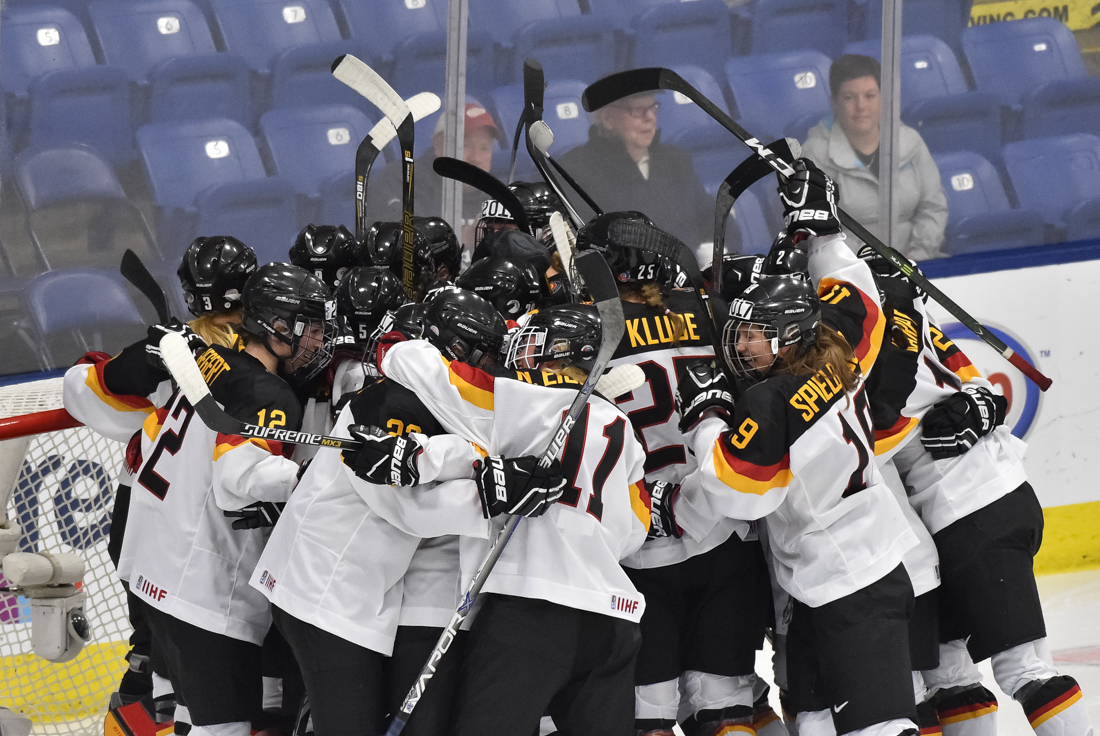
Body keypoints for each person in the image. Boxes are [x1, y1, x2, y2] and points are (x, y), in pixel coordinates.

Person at [669, 159, 921, 736]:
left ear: (785, 339)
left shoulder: (771, 401)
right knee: (811, 723)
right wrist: (823, 233)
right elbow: (858, 293)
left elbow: (738, 493)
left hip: (852, 582)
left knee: (879, 730)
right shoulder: (837, 345)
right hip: (834, 573)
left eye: (753, 333)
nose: (742, 343)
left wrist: (707, 417)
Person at [379, 304, 652, 736]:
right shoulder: (623, 428)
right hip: (612, 621)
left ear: (556, 352)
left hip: (531, 615)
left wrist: (392, 347)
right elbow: (635, 531)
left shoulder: (519, 398)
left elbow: (441, 381)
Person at [856, 249, 1094, 736]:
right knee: (949, 674)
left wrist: (982, 406)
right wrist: (983, 404)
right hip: (949, 525)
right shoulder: (919, 327)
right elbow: (984, 389)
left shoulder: (873, 345)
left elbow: (879, 425)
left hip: (975, 510)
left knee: (1023, 668)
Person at [253, 288, 506, 736]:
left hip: (346, 589)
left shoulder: (425, 396)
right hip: (324, 589)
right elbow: (407, 510)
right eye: (484, 358)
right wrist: (495, 494)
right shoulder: (394, 402)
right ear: (457, 348)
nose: (489, 372)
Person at [574, 211, 775, 736]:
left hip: (643, 540)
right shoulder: (712, 313)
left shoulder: (584, 331)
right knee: (727, 703)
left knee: (651, 711)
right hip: (724, 527)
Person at [115, 263, 335, 736]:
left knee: (191, 721)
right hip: (204, 594)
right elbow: (240, 478)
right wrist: (315, 480)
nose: (319, 342)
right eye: (312, 329)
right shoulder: (268, 392)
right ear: (279, 328)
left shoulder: (211, 362)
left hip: (158, 575)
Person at [801, 54, 948, 261]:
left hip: (918, 264)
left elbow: (933, 206)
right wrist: (873, 264)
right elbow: (817, 228)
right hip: (850, 272)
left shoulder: (910, 141)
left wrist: (918, 255)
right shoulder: (813, 155)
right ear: (834, 102)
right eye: (849, 97)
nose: (861, 107)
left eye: (870, 96)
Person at [557, 91, 712, 251]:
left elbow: (710, 216)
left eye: (653, 107)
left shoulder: (676, 160)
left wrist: (717, 249)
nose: (650, 117)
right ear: (607, 119)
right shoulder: (573, 172)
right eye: (638, 111)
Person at [364, 102, 508, 244]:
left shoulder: (498, 197)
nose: (476, 158)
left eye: (485, 148)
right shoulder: (402, 180)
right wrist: (462, 236)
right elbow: (395, 243)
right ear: (439, 146)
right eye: (465, 145)